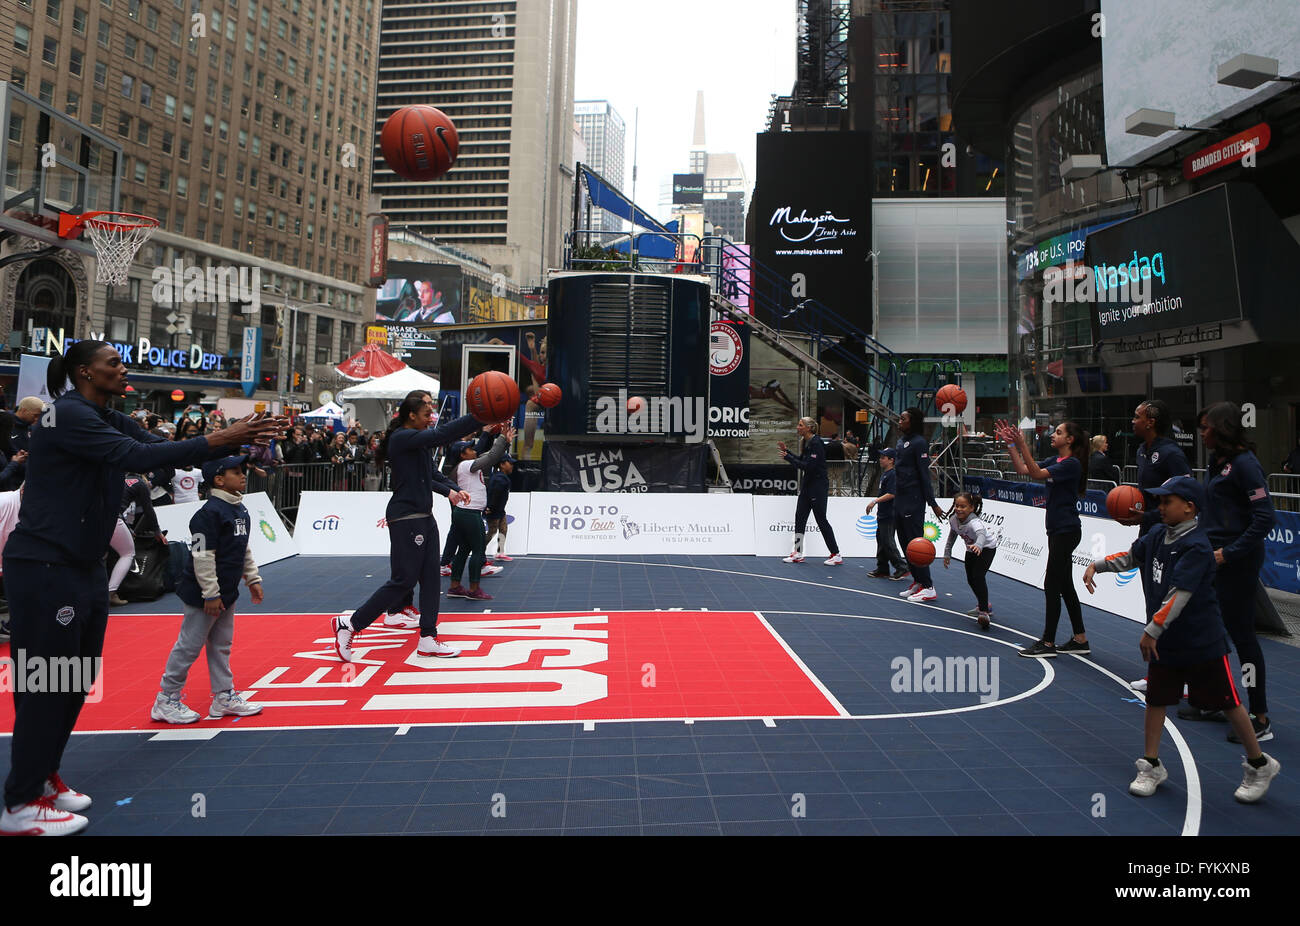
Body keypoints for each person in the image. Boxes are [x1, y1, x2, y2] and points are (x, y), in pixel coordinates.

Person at [0, 339, 283, 836]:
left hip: (83, 566)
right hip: (46, 567)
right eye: (112, 361)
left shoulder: (107, 416)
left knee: (72, 681)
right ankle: (20, 802)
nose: (122, 365)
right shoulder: (65, 415)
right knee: (44, 684)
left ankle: (43, 777)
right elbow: (136, 455)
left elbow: (158, 453)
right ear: (85, 371)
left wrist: (243, 439)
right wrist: (221, 439)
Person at [1084, 476, 1280, 802]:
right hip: (1167, 640)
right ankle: (1150, 764)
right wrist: (1098, 565)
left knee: (1229, 703)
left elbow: (1180, 594)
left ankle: (1260, 764)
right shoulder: (1159, 534)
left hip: (1201, 640)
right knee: (1156, 700)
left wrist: (1151, 630)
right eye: (1158, 501)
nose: (1159, 507)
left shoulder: (1198, 546)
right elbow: (1133, 556)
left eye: (1167, 502)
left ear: (1189, 507)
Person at [330, 391, 483, 663]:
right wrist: (477, 416)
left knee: (431, 578)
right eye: (425, 408)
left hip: (424, 516)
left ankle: (427, 638)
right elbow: (441, 435)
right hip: (406, 517)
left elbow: (431, 475)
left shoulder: (417, 441)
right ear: (411, 414)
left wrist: (451, 491)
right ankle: (350, 624)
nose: (431, 411)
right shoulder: (403, 437)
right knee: (403, 581)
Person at [1178, 402, 1276, 741]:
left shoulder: (1247, 466)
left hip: (1237, 564)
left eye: (1206, 427)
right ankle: (1213, 701)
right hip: (1214, 559)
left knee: (1243, 637)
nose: (1201, 433)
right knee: (1209, 632)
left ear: (1221, 428)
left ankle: (1259, 717)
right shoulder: (1218, 462)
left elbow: (1265, 518)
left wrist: (1228, 553)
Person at [151, 455, 267, 724]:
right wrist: (210, 594)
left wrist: (252, 578)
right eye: (236, 472)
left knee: (221, 645)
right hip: (203, 595)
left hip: (226, 591)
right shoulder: (207, 515)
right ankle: (166, 699)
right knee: (189, 646)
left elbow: (243, 549)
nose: (243, 475)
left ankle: (223, 696)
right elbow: (202, 557)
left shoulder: (240, 509)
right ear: (218, 479)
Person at [996, 417, 1090, 657]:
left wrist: (1022, 443)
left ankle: (1048, 642)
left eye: (1058, 432)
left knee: (1052, 583)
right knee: (1066, 585)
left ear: (1070, 439)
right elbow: (1023, 470)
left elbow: (1036, 473)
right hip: (1057, 529)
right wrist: (1011, 445)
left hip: (1066, 530)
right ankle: (1080, 639)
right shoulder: (1056, 460)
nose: (1053, 435)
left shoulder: (1072, 464)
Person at [448, 428, 514, 601]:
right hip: (470, 513)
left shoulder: (465, 465)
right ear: (463, 454)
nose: (474, 450)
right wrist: (502, 438)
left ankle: (455, 586)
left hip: (462, 512)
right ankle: (474, 589)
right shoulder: (467, 465)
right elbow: (491, 457)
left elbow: (488, 453)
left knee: (463, 550)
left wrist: (502, 441)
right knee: (478, 550)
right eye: (470, 449)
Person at [893, 408, 947, 601]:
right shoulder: (901, 442)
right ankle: (917, 580)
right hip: (900, 498)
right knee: (904, 541)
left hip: (914, 500)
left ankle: (928, 586)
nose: (899, 421)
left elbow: (924, 476)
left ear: (912, 421)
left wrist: (933, 503)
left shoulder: (919, 443)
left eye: (903, 418)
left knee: (916, 543)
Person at [777, 416, 842, 566]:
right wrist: (787, 452)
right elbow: (802, 460)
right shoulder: (807, 442)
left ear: (809, 428)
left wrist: (788, 458)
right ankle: (798, 552)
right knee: (800, 518)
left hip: (817, 487)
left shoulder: (817, 443)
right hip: (807, 486)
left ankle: (836, 553)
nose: (797, 427)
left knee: (821, 520)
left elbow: (808, 467)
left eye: (800, 425)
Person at [942, 491, 999, 630]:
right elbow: (952, 535)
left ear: (971, 508)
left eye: (963, 506)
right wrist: (947, 553)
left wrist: (978, 545)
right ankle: (983, 604)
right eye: (957, 506)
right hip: (971, 549)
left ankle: (984, 611)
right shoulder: (953, 519)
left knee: (978, 577)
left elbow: (981, 534)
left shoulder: (975, 522)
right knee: (970, 579)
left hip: (986, 548)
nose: (959, 509)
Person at [865, 448, 909, 580]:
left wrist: (875, 501)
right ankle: (882, 567)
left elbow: (892, 493)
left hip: (890, 513)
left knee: (887, 541)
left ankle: (901, 566)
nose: (880, 459)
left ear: (891, 460)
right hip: (883, 513)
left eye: (884, 457)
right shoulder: (886, 474)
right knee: (881, 540)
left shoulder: (892, 475)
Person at [484, 454, 515, 562]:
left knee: (503, 529)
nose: (512, 466)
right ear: (502, 464)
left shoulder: (501, 477)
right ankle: (479, 551)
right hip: (494, 510)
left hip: (500, 510)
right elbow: (494, 495)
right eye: (509, 463)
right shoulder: (499, 479)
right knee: (492, 531)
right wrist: (490, 508)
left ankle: (500, 552)